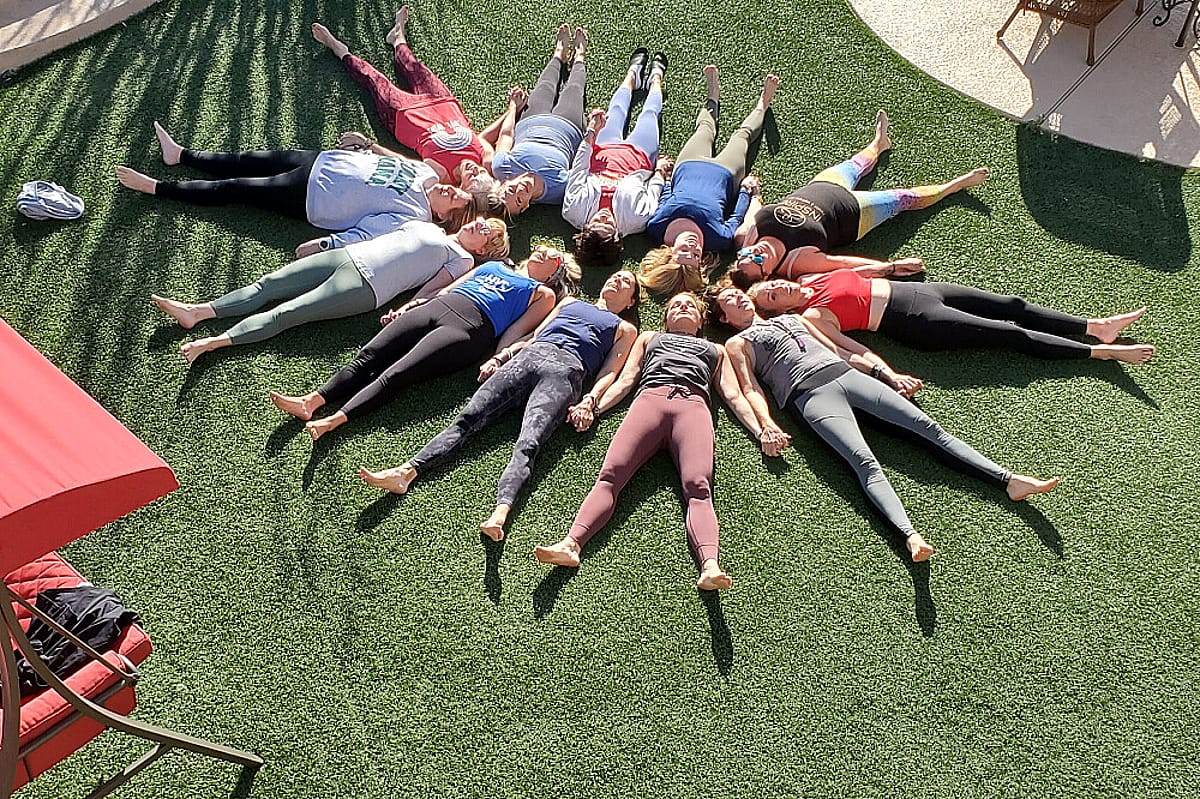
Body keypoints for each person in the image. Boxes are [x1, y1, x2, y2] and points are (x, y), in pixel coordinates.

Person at [709, 284, 1059, 562]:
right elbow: (750, 387)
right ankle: (910, 536)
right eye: (730, 301)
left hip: (847, 375)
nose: (739, 298)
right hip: (812, 396)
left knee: (930, 429)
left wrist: (887, 374)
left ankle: (1009, 480)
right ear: (724, 318)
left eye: (738, 293)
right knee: (864, 463)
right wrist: (766, 425)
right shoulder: (738, 343)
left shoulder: (796, 318)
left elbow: (842, 350)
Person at [359, 270, 641, 541]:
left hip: (566, 372)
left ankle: (500, 513)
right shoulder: (569, 302)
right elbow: (534, 335)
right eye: (616, 276)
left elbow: (610, 371)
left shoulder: (625, 328)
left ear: (630, 302)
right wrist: (501, 357)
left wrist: (590, 401)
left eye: (626, 281)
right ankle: (405, 473)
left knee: (529, 443)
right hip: (528, 357)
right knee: (468, 418)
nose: (617, 279)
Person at [533, 292, 779, 591]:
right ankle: (571, 544)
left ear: (701, 319)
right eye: (676, 305)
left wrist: (762, 429)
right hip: (649, 400)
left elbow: (732, 395)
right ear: (665, 318)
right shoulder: (650, 338)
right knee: (610, 475)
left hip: (693, 408)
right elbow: (626, 380)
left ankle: (710, 566)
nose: (683, 307)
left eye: (690, 305)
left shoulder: (715, 349)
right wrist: (592, 405)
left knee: (699, 487)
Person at [270, 247, 576, 440]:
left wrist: (498, 358)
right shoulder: (491, 266)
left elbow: (516, 330)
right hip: (438, 307)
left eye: (553, 257)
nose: (543, 253)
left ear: (556, 272)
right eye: (542, 249)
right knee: (371, 355)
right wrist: (410, 306)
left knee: (401, 371)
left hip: (470, 328)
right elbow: (448, 290)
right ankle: (312, 401)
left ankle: (336, 420)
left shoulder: (542, 294)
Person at [151, 217, 509, 363]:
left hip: (366, 285)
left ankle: (210, 344)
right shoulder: (426, 223)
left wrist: (408, 308)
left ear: (483, 249)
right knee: (270, 284)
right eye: (482, 222)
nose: (479, 225)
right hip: (348, 255)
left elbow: (433, 290)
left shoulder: (461, 259)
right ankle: (198, 312)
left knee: (287, 313)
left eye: (487, 232)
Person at [116, 124, 482, 257]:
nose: (452, 192)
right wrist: (366, 145)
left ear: (443, 216)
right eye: (456, 192)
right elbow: (385, 159)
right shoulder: (425, 174)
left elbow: (366, 235)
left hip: (309, 195)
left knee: (237, 187)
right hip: (319, 160)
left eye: (455, 200)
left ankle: (157, 188)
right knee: (245, 160)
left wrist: (325, 245)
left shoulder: (413, 216)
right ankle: (179, 154)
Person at [730, 110, 989, 286]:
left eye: (747, 254)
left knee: (857, 163)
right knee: (904, 198)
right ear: (767, 276)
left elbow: (755, 210)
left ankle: (879, 143)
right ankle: (953, 186)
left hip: (821, 186)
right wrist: (891, 267)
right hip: (855, 213)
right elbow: (844, 266)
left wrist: (753, 192)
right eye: (758, 261)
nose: (755, 253)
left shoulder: (745, 237)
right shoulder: (796, 263)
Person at [748, 271, 1154, 364]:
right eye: (770, 297)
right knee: (1007, 332)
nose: (776, 289)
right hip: (915, 321)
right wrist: (879, 368)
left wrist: (892, 266)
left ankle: (1095, 327)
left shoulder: (810, 274)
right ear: (778, 310)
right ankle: (1101, 354)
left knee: (1009, 305)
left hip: (920, 291)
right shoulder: (812, 315)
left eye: (770, 284)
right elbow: (847, 348)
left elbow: (852, 267)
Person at [310, 9, 501, 194]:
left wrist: (370, 145)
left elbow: (403, 163)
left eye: (472, 177)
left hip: (404, 115)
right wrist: (513, 109)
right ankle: (397, 37)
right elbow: (488, 136)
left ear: (462, 187)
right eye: (481, 172)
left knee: (375, 80)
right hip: (444, 105)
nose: (474, 169)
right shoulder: (486, 159)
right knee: (413, 66)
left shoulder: (442, 175)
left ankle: (340, 50)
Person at [639, 67, 779, 296]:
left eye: (685, 250)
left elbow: (665, 199)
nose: (694, 246)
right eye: (696, 255)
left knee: (705, 128)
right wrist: (746, 190)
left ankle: (713, 93)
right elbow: (735, 216)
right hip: (726, 172)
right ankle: (763, 102)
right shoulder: (718, 238)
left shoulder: (656, 228)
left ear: (669, 252)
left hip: (687, 166)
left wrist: (664, 176)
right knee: (741, 135)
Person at [561, 49, 672, 266]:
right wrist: (660, 170)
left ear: (584, 228)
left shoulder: (573, 210)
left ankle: (633, 74)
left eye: (596, 222)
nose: (602, 216)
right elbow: (653, 191)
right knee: (649, 115)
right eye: (608, 224)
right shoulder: (637, 219)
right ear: (618, 236)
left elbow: (578, 170)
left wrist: (592, 132)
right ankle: (656, 78)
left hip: (602, 150)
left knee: (617, 109)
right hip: (638, 157)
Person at [487, 25, 590, 212]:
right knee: (574, 89)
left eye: (511, 189)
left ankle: (559, 53)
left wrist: (513, 107)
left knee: (546, 84)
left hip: (531, 120)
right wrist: (592, 133)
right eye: (519, 200)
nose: (520, 189)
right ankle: (580, 56)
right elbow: (582, 164)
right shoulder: (558, 190)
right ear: (526, 207)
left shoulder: (502, 168)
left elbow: (507, 136)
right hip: (569, 127)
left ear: (503, 183)